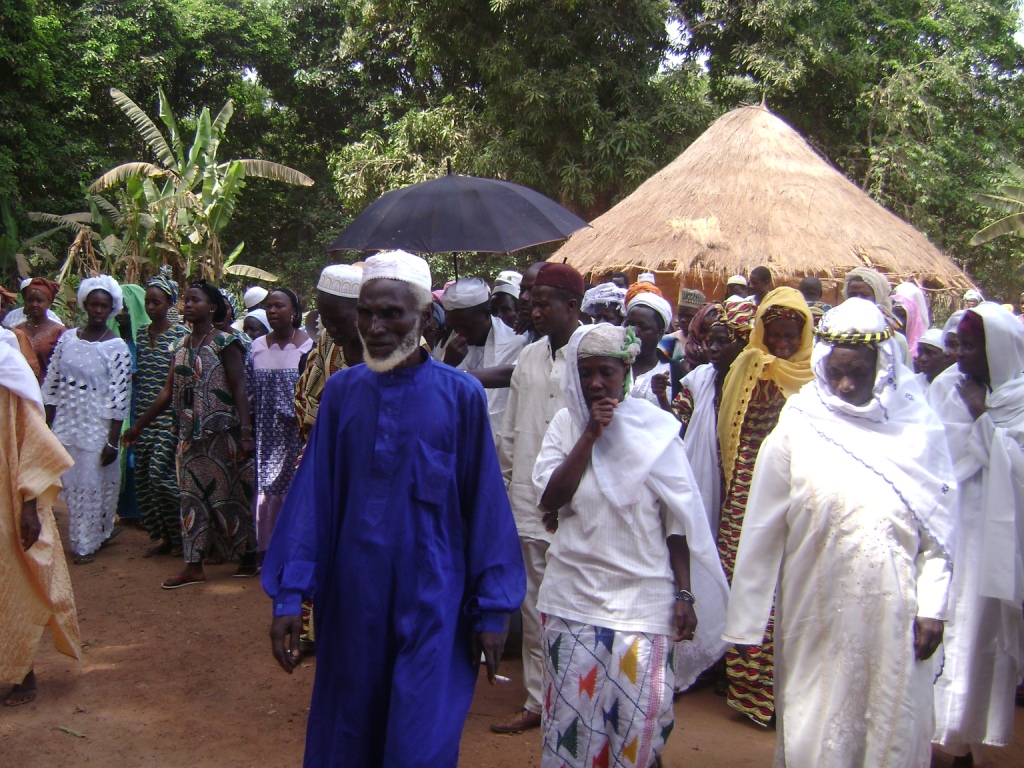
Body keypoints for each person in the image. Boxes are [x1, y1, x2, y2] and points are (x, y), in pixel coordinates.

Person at [262, 251, 525, 768]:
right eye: (366, 313)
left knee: (419, 743)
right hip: (353, 600)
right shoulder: (342, 393)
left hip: (435, 601)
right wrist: (290, 596)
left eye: (392, 314)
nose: (375, 328)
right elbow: (313, 497)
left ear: (425, 317)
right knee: (348, 736)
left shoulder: (461, 396)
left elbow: (485, 506)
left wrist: (493, 608)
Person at [724, 298, 956, 767]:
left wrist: (934, 607)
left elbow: (941, 531)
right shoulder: (799, 423)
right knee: (816, 723)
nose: (846, 385)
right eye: (835, 372)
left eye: (859, 373)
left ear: (883, 366)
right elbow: (763, 525)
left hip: (896, 616)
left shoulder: (919, 430)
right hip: (814, 610)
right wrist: (747, 622)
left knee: (889, 722)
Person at [533, 323, 730, 767]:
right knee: (571, 729)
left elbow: (676, 522)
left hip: (644, 602)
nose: (595, 383)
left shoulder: (656, 431)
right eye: (585, 373)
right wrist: (590, 435)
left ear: (625, 371)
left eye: (606, 371)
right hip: (573, 600)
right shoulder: (566, 425)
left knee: (638, 730)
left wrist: (684, 593)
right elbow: (550, 498)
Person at [493, 262, 585, 735]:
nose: (534, 310)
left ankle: (576, 701)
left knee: (575, 608)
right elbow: (511, 431)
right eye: (532, 302)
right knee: (534, 608)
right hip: (529, 503)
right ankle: (537, 700)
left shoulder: (593, 353)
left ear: (572, 306)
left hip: (579, 507)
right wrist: (509, 487)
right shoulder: (529, 357)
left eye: (544, 303)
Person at [930, 303, 1024, 766]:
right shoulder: (945, 387)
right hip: (952, 528)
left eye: (970, 346)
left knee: (982, 637)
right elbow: (934, 453)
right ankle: (938, 740)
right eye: (958, 344)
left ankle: (969, 741)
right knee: (942, 623)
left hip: (997, 541)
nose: (960, 354)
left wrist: (982, 415)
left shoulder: (1019, 398)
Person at [716, 286, 814, 725]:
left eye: (791, 335)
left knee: (789, 585)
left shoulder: (816, 374)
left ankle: (785, 689)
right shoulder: (748, 365)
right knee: (746, 578)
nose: (783, 343)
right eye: (775, 334)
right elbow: (728, 428)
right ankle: (747, 686)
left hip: (796, 491)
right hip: (747, 490)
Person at [123, 280, 258, 588]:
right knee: (190, 498)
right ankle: (193, 565)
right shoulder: (180, 345)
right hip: (189, 436)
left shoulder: (226, 342)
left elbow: (239, 388)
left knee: (232, 495)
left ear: (212, 308)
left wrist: (246, 433)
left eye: (196, 300)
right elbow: (167, 392)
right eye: (187, 300)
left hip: (223, 433)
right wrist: (138, 425)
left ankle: (249, 555)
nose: (189, 305)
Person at [0, 328, 80, 707]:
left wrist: (30, 504)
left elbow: (33, 438)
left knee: (12, 581)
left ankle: (23, 670)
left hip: (5, 497)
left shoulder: (6, 366)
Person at [42, 276, 132, 565]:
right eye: (94, 304)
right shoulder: (67, 338)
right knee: (69, 483)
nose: (98, 310)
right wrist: (45, 426)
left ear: (112, 308)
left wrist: (112, 440)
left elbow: (120, 397)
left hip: (97, 426)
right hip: (66, 424)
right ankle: (95, 533)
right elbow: (52, 384)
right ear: (85, 305)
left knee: (91, 485)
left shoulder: (116, 347)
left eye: (104, 306)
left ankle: (84, 544)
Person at [674, 297, 756, 534]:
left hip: (741, 484)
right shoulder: (700, 379)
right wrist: (660, 398)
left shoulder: (757, 387)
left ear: (745, 344)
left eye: (723, 342)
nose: (713, 349)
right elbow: (677, 423)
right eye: (711, 342)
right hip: (704, 478)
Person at [246, 288, 313, 556]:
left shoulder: (309, 347)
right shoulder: (256, 347)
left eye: (279, 306)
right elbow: (247, 392)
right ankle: (269, 553)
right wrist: (246, 432)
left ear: (294, 312)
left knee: (297, 489)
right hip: (267, 437)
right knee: (269, 489)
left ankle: (295, 553)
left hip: (298, 436)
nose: (272, 311)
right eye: (269, 306)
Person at [134, 271, 190, 557]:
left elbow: (171, 387)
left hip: (167, 418)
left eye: (156, 302)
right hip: (142, 415)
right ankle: (165, 537)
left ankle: (185, 534)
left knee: (161, 477)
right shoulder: (141, 334)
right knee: (144, 479)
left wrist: (139, 425)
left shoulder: (181, 336)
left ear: (169, 303)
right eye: (147, 302)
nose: (151, 307)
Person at [438, 277, 527, 436]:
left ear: (487, 314)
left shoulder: (514, 343)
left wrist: (453, 374)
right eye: (455, 327)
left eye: (466, 326)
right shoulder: (448, 344)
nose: (460, 332)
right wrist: (447, 364)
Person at [295, 264, 364, 444]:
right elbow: (310, 396)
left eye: (339, 320)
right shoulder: (327, 340)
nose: (331, 328)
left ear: (363, 312)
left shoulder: (392, 347)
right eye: (325, 319)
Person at [623, 290, 673, 409]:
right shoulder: (612, 364)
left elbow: (679, 420)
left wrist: (661, 397)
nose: (634, 332)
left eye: (644, 327)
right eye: (629, 324)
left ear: (660, 334)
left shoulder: (674, 371)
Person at [14, 277, 66, 382]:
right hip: (21, 386)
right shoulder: (18, 330)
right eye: (30, 300)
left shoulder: (60, 332)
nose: (34, 304)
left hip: (48, 387)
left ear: (49, 303)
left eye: (39, 301)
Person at [683, 301, 721, 374]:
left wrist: (708, 362)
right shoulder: (679, 365)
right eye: (703, 331)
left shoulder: (727, 366)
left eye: (712, 333)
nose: (707, 338)